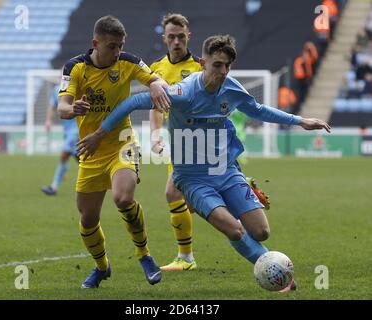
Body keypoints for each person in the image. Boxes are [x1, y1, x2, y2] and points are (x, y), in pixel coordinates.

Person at [76, 34, 331, 292]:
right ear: (203, 63)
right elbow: (132, 102)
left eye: (227, 66)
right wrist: (99, 134)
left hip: (226, 171)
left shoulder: (231, 88)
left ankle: (247, 223)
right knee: (234, 230)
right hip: (192, 180)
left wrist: (300, 121)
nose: (222, 72)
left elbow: (259, 109)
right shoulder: (182, 93)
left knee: (262, 232)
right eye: (217, 65)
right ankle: (274, 273)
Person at [57, 15, 171, 288]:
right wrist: (72, 109)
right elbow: (63, 107)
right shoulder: (74, 68)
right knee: (87, 218)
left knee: (122, 197)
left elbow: (157, 80)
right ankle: (101, 267)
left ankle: (144, 255)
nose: (117, 51)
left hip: (122, 142)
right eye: (111, 45)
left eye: (120, 45)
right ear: (95, 43)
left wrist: (155, 82)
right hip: (91, 151)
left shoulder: (128, 62)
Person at [149, 13, 269, 271]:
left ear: (188, 36)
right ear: (164, 38)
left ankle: (187, 256)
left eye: (181, 36)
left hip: (207, 147)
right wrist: (154, 134)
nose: (177, 41)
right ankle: (188, 255)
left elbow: (221, 112)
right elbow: (155, 105)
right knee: (177, 195)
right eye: (171, 37)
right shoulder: (156, 68)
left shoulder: (200, 66)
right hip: (181, 140)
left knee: (178, 195)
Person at [41, 85, 79, 196]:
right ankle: (96, 180)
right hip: (67, 129)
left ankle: (54, 187)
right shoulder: (57, 90)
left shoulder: (78, 86)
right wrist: (48, 120)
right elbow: (52, 106)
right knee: (80, 158)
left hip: (77, 128)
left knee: (64, 154)